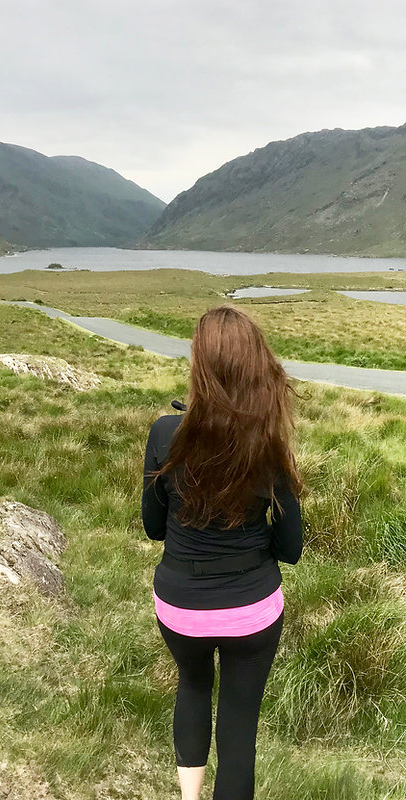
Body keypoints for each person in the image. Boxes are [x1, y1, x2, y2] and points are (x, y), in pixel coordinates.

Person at [142, 305, 303, 800]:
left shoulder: (165, 433)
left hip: (180, 606)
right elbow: (292, 548)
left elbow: (153, 528)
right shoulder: (268, 443)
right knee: (239, 729)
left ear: (199, 368)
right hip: (251, 610)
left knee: (192, 687)